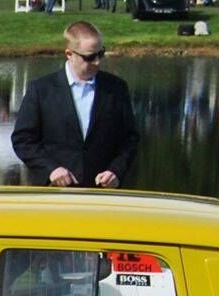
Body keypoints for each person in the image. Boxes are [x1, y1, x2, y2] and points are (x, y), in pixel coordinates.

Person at [10, 21, 138, 189]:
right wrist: (51, 170)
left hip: (103, 193)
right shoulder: (41, 90)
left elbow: (130, 139)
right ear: (69, 54)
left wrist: (116, 171)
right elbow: (23, 140)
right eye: (90, 57)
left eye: (101, 53)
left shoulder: (116, 88)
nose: (98, 62)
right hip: (54, 192)